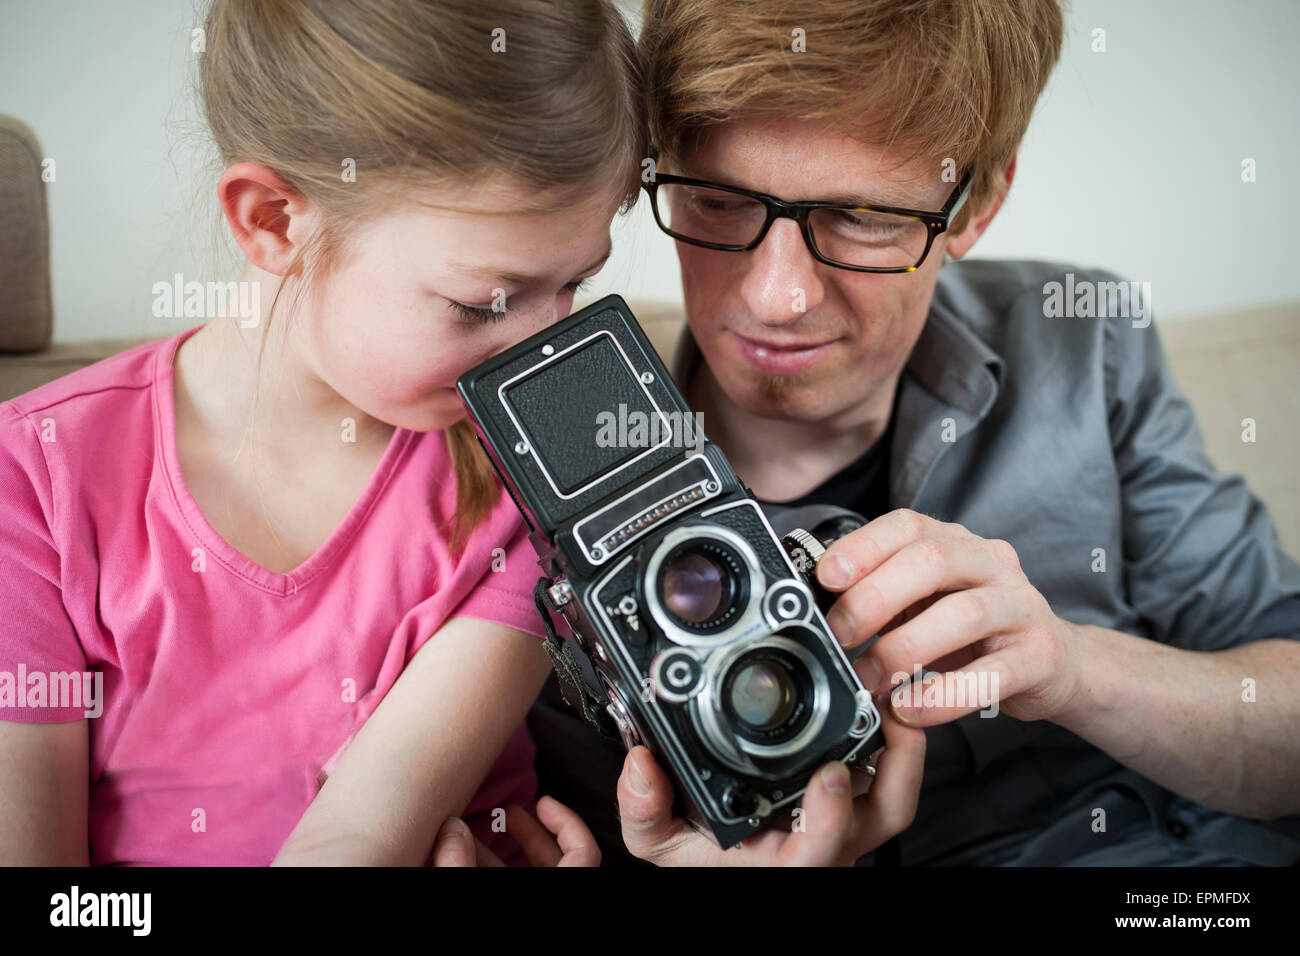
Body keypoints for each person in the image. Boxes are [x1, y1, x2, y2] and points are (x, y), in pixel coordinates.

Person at [527, 0, 1300, 866]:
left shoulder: (1085, 338)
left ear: (976, 205)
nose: (777, 298)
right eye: (716, 200)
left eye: (861, 217)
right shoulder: (545, 466)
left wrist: (1076, 671)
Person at [0, 0, 647, 866]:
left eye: (575, 284)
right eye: (480, 304)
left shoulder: (541, 466)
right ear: (273, 221)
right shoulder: (35, 479)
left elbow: (357, 837)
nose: (542, 351)